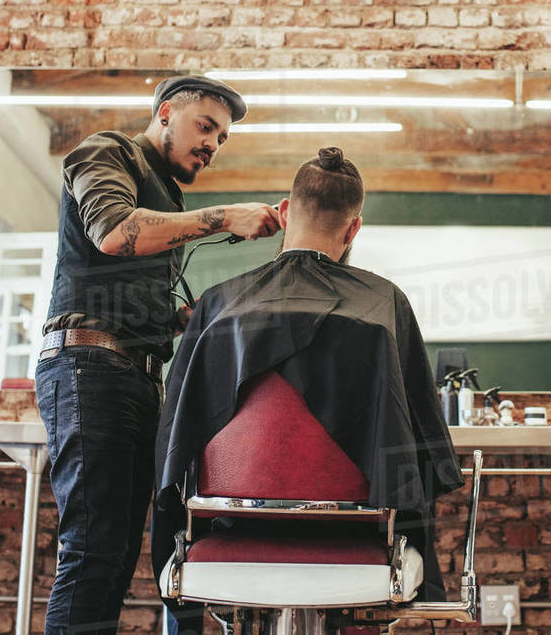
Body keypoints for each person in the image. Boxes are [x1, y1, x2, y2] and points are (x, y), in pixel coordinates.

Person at [153, 147, 463, 634]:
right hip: (357, 536)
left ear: (283, 211)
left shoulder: (218, 305)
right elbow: (417, 446)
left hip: (232, 531)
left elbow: (177, 438)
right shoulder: (384, 305)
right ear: (353, 228)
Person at [34, 75, 282, 635]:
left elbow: (126, 291)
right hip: (87, 368)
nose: (212, 145)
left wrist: (183, 322)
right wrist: (223, 217)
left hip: (134, 377)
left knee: (117, 558)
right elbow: (113, 232)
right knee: (93, 552)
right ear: (166, 112)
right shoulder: (107, 151)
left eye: (221, 138)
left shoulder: (168, 195)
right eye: (205, 127)